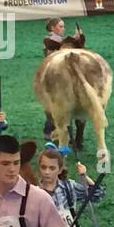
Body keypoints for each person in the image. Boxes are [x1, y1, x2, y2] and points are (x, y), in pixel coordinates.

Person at [36, 147, 106, 227]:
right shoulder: (34, 193)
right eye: (43, 167)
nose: (47, 172)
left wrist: (84, 176)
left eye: (52, 168)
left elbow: (97, 194)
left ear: (60, 170)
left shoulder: (68, 186)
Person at [41, 17, 85, 148]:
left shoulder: (61, 40)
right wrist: (75, 38)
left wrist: (78, 38)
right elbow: (61, 46)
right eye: (60, 26)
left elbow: (73, 45)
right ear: (53, 28)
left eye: (63, 26)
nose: (63, 28)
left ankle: (75, 137)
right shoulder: (49, 40)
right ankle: (51, 133)